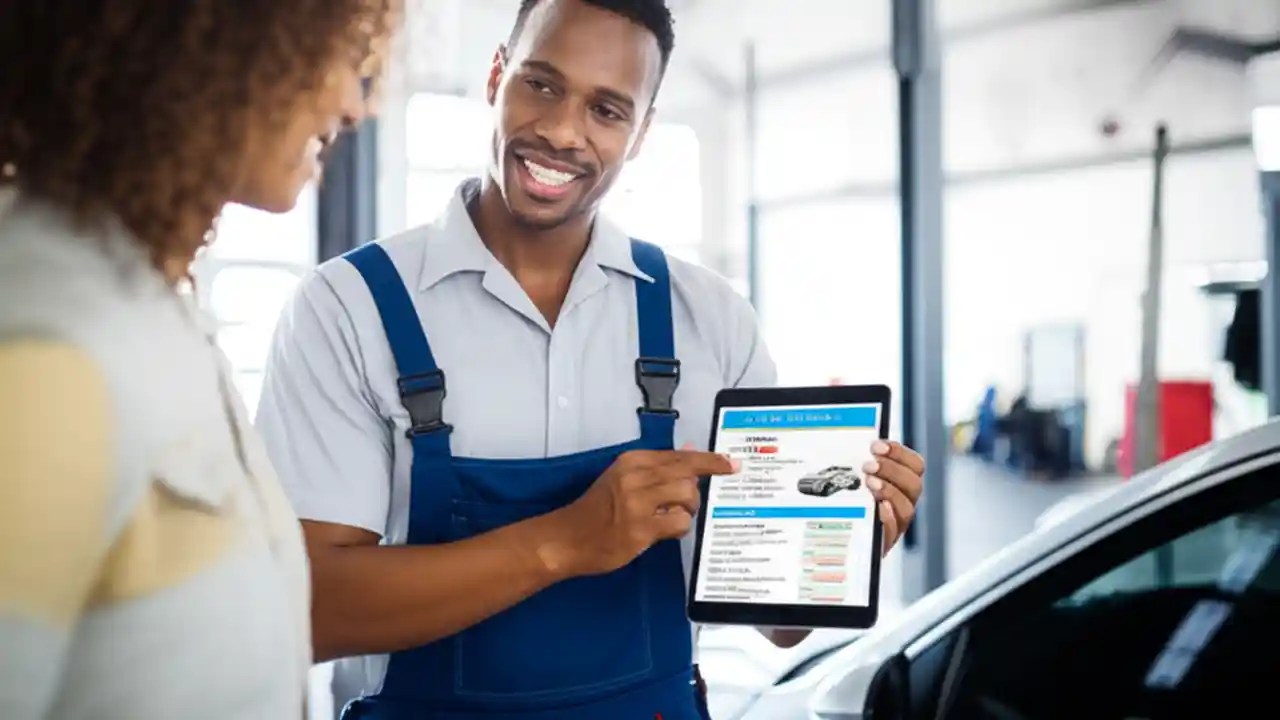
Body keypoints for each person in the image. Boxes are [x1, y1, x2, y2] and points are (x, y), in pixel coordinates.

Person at [256, 1, 926, 718]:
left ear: (640, 135)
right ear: (495, 76)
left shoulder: (710, 319)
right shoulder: (346, 310)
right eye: (541, 85)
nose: (561, 131)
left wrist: (849, 548)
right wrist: (566, 541)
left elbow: (777, 623)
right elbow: (303, 612)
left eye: (608, 110)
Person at [0, 2, 400, 718]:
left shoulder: (155, 301)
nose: (351, 100)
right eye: (322, 52)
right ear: (187, 48)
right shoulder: (48, 350)